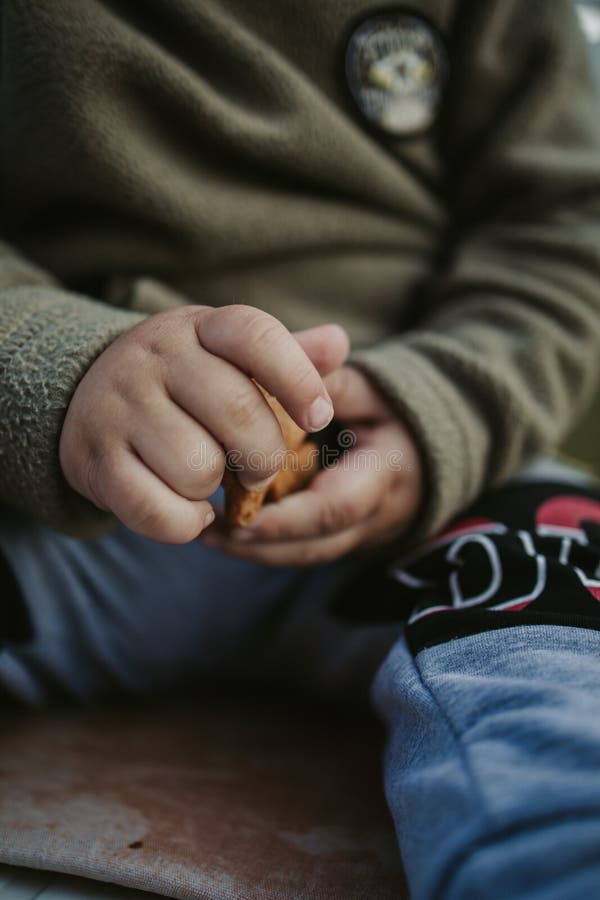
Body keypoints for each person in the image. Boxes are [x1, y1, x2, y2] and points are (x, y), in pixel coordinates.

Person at [1, 0, 600, 895]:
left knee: (567, 602)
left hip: (410, 465)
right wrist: (52, 357)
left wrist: (448, 400)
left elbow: (567, 226)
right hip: (56, 495)